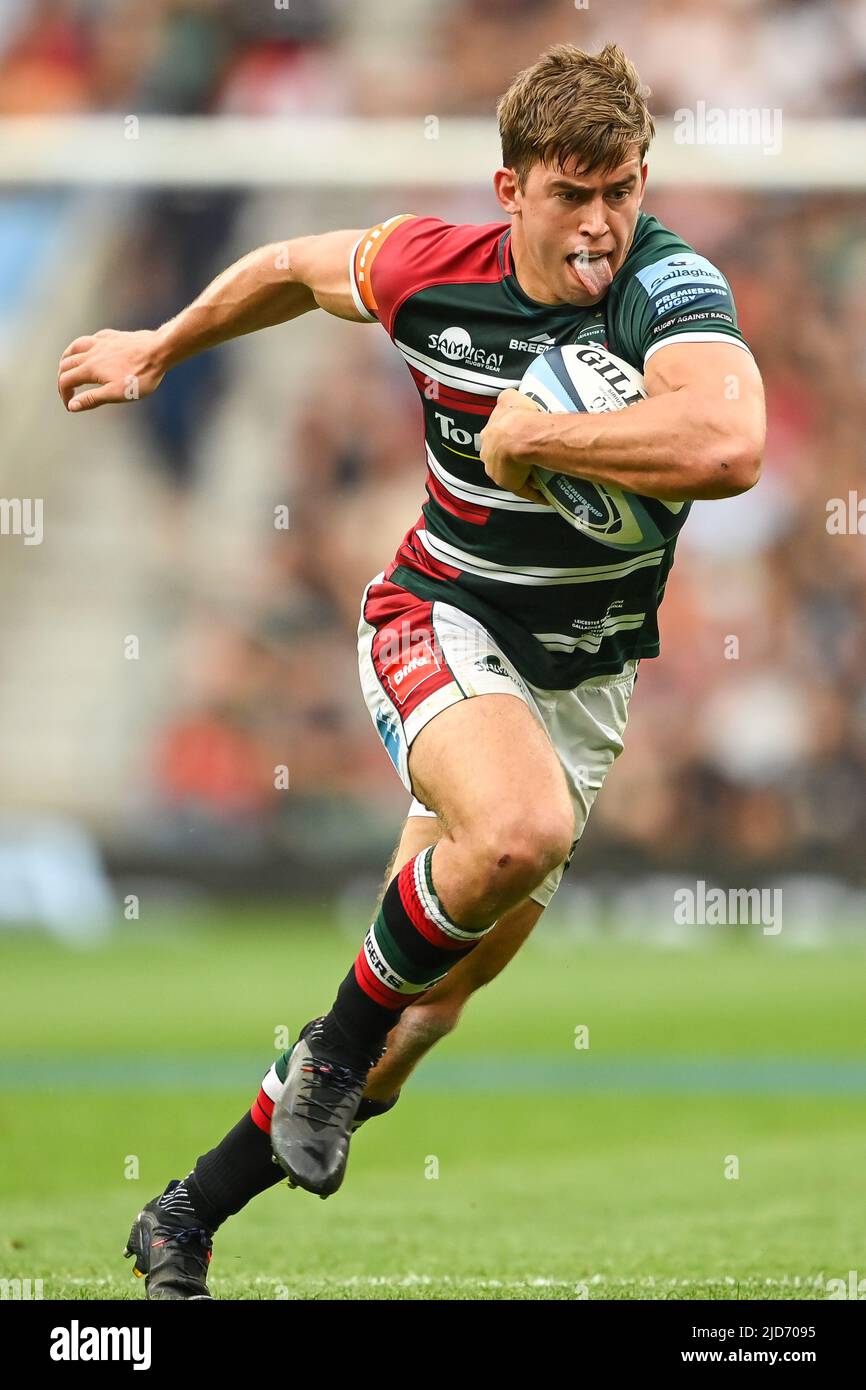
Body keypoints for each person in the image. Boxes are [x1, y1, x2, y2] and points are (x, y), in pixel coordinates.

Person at [57, 42, 764, 1299]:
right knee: (514, 829)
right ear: (509, 191)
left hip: (578, 681)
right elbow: (287, 268)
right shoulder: (430, 268)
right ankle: (328, 1050)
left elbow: (729, 443)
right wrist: (161, 345)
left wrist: (539, 435)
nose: (599, 224)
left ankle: (185, 1210)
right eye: (569, 194)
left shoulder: (668, 289)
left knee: (417, 1022)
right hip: (436, 613)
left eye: (619, 190)